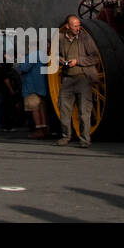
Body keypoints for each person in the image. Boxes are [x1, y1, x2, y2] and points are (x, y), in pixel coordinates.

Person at [56, 15, 98, 148]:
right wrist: (61, 60)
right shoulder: (61, 38)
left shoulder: (86, 38)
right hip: (67, 79)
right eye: (75, 25)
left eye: (79, 25)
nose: (78, 28)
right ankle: (66, 136)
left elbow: (95, 57)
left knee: (84, 111)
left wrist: (78, 61)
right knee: (63, 108)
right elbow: (55, 55)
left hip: (83, 78)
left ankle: (85, 139)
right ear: (67, 26)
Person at [17, 46, 51, 139]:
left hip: (31, 85)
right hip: (42, 86)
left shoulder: (33, 55)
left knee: (34, 108)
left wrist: (20, 62)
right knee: (42, 108)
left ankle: (39, 130)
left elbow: (24, 68)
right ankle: (44, 129)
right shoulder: (46, 56)